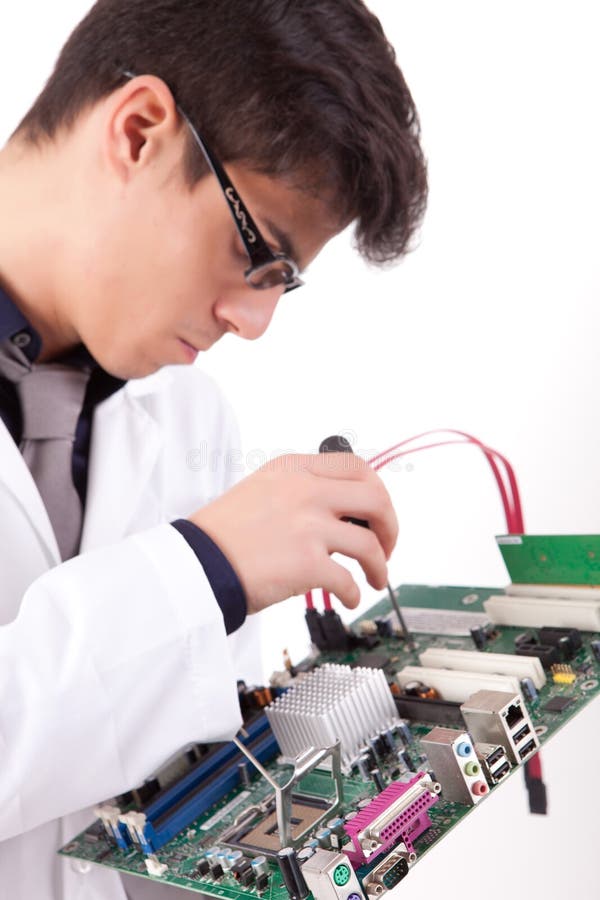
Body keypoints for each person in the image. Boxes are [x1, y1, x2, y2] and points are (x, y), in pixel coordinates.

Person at [0, 1, 428, 897]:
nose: (255, 321)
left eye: (285, 284)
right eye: (256, 253)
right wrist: (207, 567)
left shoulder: (190, 419)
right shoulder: (213, 530)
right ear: (140, 130)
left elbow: (175, 811)